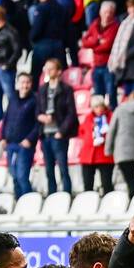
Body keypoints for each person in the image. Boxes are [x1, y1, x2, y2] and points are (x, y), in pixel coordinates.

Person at [37, 57, 79, 195]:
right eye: (46, 68)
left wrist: (61, 131)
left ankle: (67, 194)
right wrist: (40, 117)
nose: (48, 71)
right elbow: (37, 110)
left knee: (62, 167)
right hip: (45, 134)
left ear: (59, 71)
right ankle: (52, 195)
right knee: (49, 169)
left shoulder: (66, 89)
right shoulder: (42, 89)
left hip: (58, 134)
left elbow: (71, 113)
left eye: (51, 68)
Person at [3, 73, 41, 200]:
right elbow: (6, 119)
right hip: (10, 143)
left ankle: (28, 201)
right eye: (22, 82)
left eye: (27, 82)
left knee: (22, 176)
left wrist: (29, 139)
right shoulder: (13, 99)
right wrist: (3, 137)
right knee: (14, 176)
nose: (25, 85)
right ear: (17, 84)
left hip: (25, 145)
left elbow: (38, 124)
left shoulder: (35, 100)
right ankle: (18, 200)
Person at [81, 0, 119, 108]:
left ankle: (112, 117)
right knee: (98, 96)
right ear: (100, 12)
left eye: (110, 12)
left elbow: (108, 45)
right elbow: (84, 41)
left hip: (109, 66)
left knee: (111, 94)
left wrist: (93, 45)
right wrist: (96, 41)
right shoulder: (94, 24)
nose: (107, 15)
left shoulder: (115, 27)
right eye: (105, 12)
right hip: (96, 66)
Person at [110, 0, 134, 98]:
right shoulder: (124, 23)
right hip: (126, 68)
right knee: (127, 97)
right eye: (130, 8)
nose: (132, 10)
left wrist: (126, 54)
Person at [78, 94, 116, 194]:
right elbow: (82, 132)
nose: (98, 109)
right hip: (88, 156)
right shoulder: (88, 118)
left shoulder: (111, 117)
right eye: (96, 107)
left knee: (107, 184)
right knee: (87, 185)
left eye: (100, 106)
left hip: (105, 156)